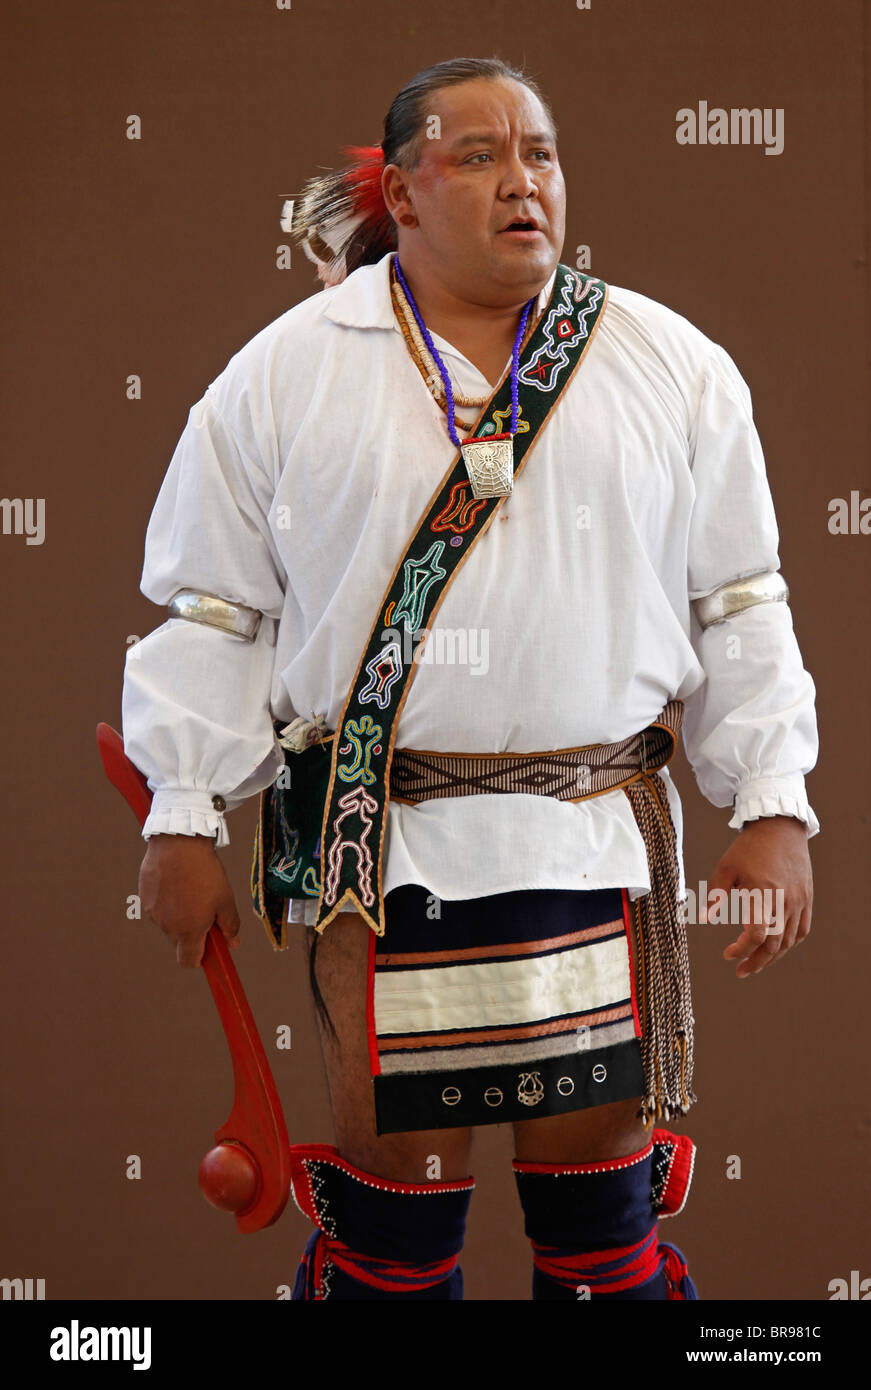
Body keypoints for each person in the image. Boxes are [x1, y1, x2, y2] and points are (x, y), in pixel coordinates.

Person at [122, 56, 818, 1301]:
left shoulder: (668, 363)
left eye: (540, 153)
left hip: (590, 849)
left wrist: (768, 803)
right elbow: (213, 610)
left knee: (605, 1232)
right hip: (378, 861)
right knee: (390, 1244)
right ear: (402, 188)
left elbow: (740, 599)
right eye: (481, 155)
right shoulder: (282, 376)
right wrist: (184, 813)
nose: (522, 182)